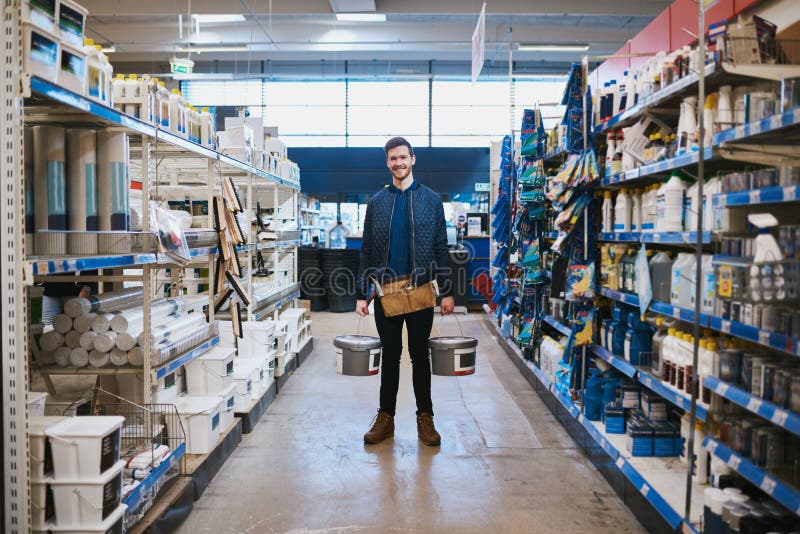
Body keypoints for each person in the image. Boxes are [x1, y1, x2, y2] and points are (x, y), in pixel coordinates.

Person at [356, 136, 454, 446]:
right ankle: (386, 418)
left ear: (412, 159)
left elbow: (441, 246)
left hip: (421, 290)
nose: (398, 163)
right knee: (391, 356)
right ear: (387, 163)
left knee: (420, 356)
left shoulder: (430, 200)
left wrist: (448, 290)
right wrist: (362, 292)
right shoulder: (377, 202)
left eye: (403, 157)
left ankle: (426, 419)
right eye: (392, 159)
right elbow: (368, 249)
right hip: (386, 292)